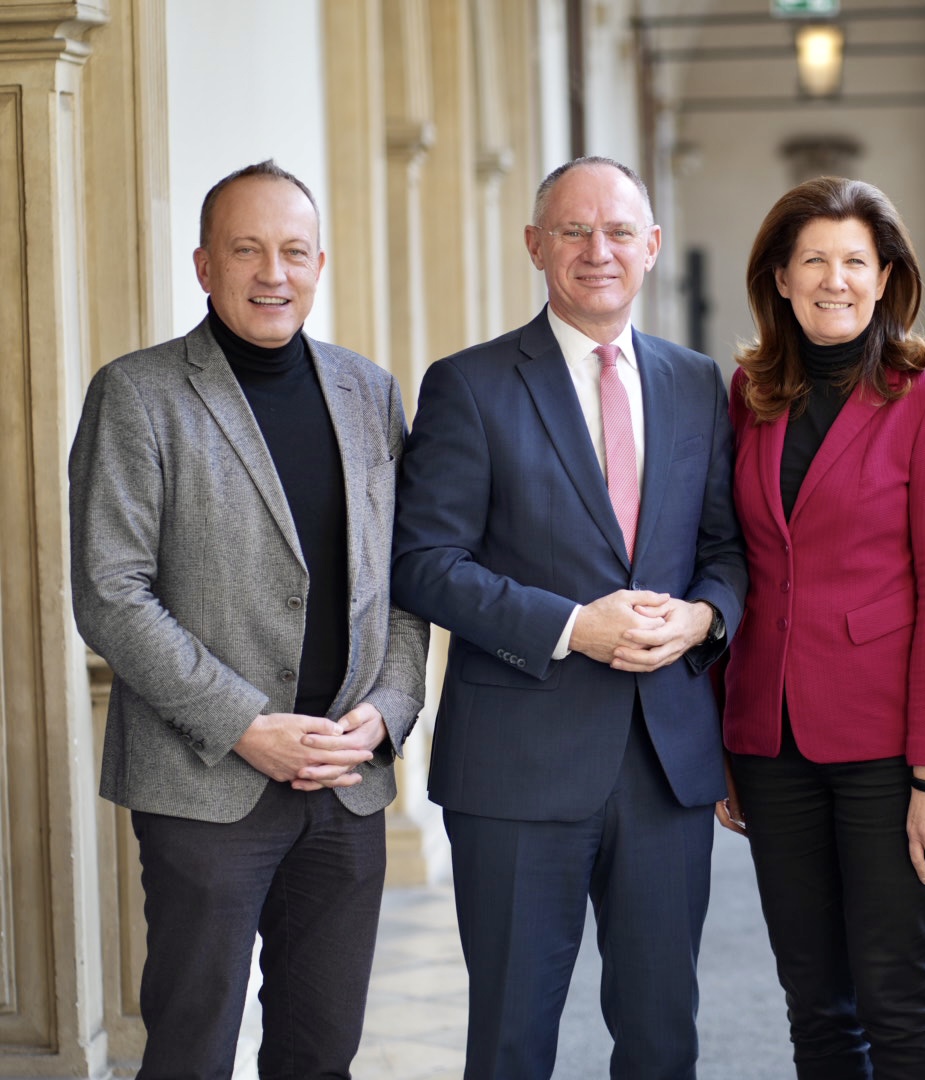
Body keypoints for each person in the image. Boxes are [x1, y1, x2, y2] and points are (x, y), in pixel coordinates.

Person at [68, 160, 429, 1078]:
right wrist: (245, 727)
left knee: (322, 1051)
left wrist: (386, 710)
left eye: (294, 251)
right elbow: (111, 591)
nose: (274, 272)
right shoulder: (139, 394)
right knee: (193, 1048)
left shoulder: (369, 392)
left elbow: (401, 583)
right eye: (247, 250)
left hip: (346, 784)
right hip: (205, 784)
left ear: (319, 264)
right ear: (202, 265)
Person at [390, 156, 746, 1079]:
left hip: (665, 763)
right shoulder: (469, 386)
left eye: (620, 232)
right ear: (535, 246)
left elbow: (728, 550)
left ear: (652, 248)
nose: (599, 251)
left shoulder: (698, 384)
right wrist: (569, 626)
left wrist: (704, 619)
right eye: (576, 231)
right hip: (516, 766)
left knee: (663, 1034)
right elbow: (423, 565)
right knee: (512, 1038)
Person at [717, 177, 925, 1078]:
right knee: (816, 1006)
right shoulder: (750, 392)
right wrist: (726, 742)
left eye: (855, 262)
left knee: (896, 998)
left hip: (883, 747)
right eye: (814, 261)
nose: (836, 280)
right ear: (781, 280)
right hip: (770, 740)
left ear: (886, 276)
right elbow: (737, 563)